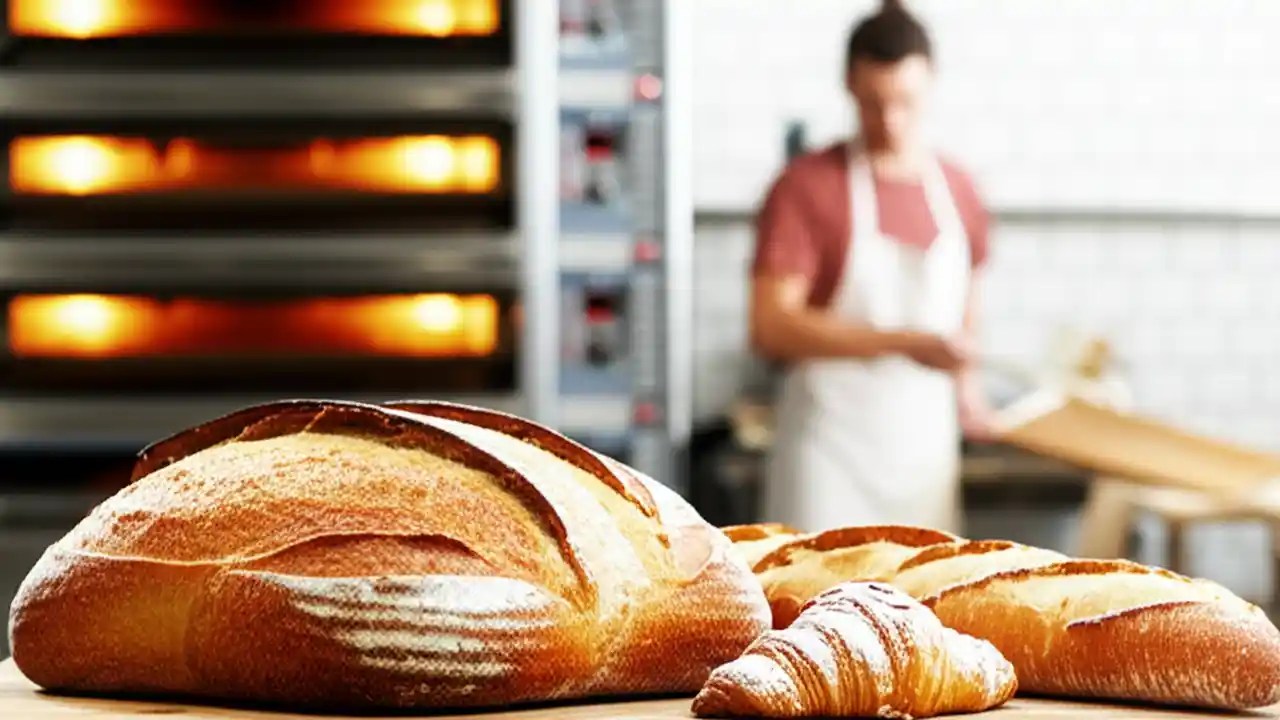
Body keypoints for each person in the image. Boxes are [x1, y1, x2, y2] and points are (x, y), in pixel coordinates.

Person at [751, 0, 994, 534]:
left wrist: (969, 392)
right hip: (830, 460)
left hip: (926, 459)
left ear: (930, 84)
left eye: (905, 102)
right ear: (848, 87)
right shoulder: (807, 186)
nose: (889, 120)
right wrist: (907, 342)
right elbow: (771, 326)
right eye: (872, 104)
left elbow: (966, 310)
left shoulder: (958, 190)